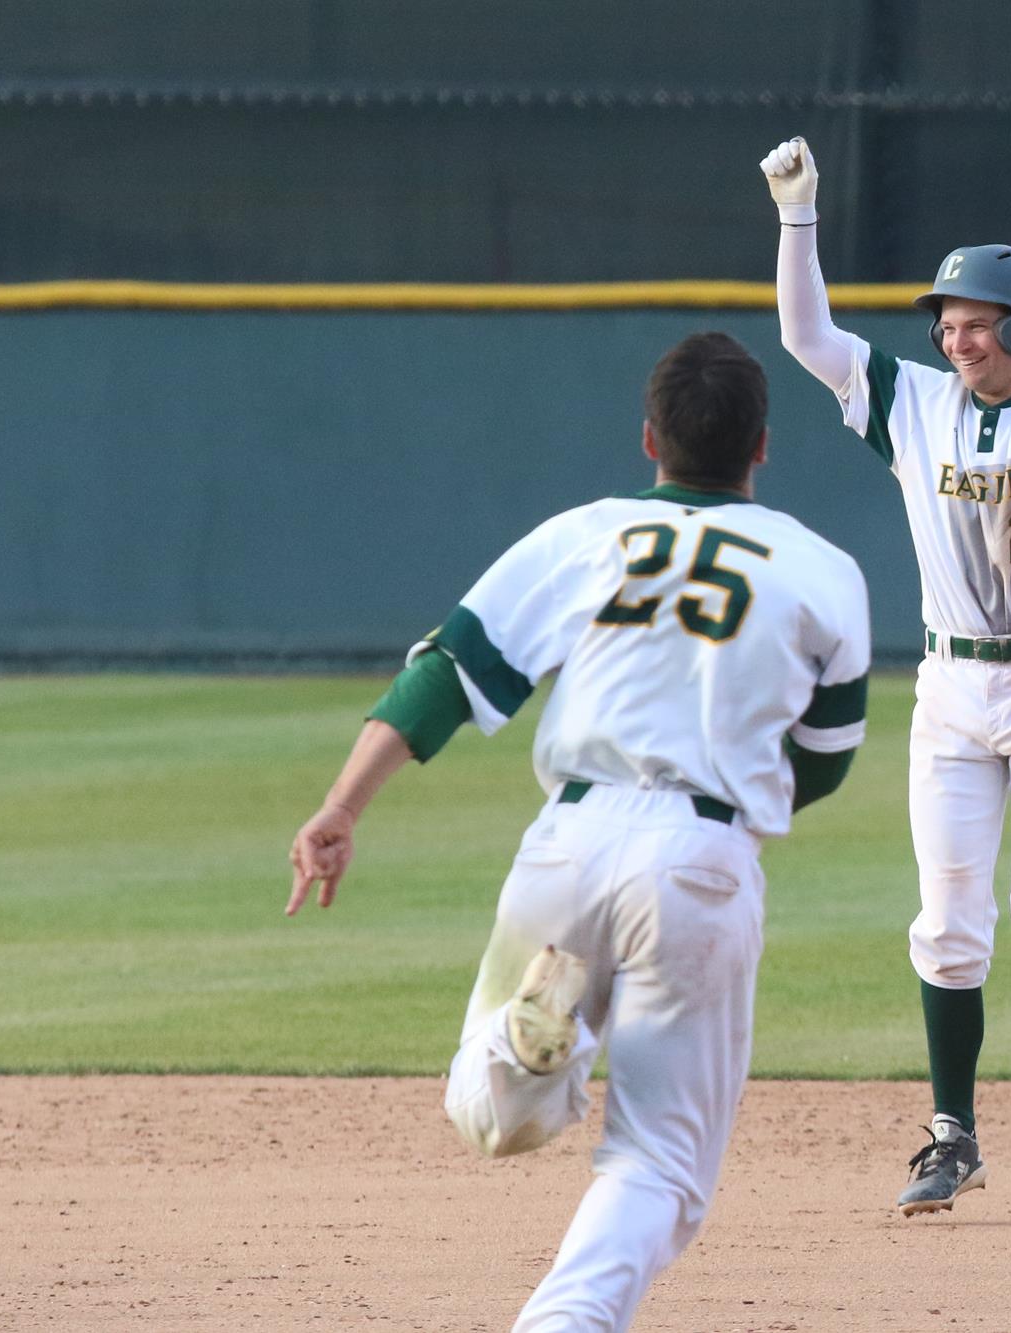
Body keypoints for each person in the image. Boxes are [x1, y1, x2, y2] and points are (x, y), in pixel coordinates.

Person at [285, 331, 871, 1330]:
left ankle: (529, 1056)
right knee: (659, 1163)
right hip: (701, 856)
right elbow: (825, 754)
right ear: (762, 446)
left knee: (489, 1120)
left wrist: (340, 806)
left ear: (648, 437)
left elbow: (446, 675)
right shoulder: (823, 570)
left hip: (566, 842)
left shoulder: (586, 533)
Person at [759, 136, 1011, 1215]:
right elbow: (805, 334)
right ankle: (951, 1132)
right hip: (950, 687)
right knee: (944, 923)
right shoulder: (912, 402)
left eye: (972, 318)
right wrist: (796, 213)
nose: (952, 333)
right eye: (945, 320)